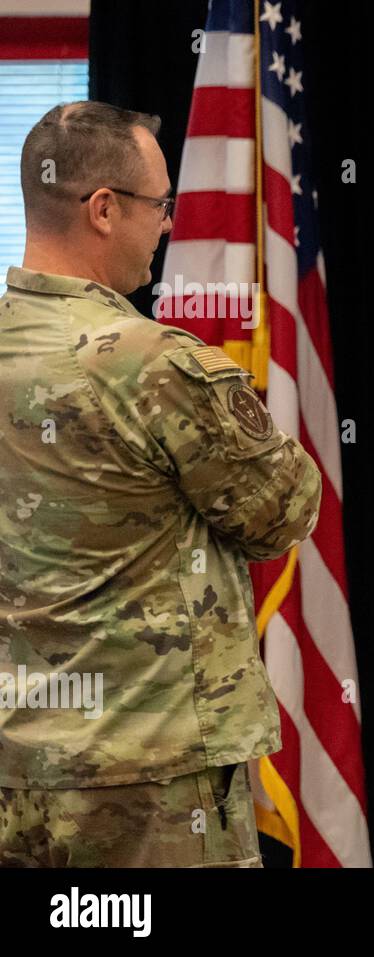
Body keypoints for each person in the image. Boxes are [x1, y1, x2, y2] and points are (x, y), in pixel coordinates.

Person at [0, 101, 321, 866]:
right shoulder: (150, 363)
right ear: (104, 209)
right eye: (158, 205)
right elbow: (285, 508)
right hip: (149, 779)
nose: (168, 224)